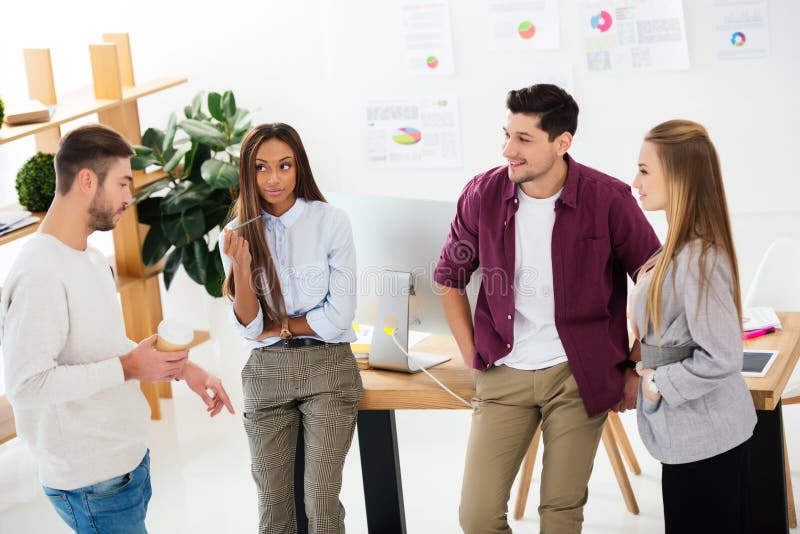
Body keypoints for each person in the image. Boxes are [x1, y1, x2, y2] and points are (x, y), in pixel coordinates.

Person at [434, 84, 661, 533]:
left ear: (562, 143)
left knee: (560, 514)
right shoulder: (482, 195)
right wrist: (471, 356)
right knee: (476, 517)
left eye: (523, 139)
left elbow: (656, 281)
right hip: (504, 373)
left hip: (579, 374)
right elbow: (448, 278)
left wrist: (636, 363)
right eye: (507, 135)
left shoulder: (608, 199)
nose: (508, 150)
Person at [0, 124, 234, 534]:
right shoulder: (39, 272)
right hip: (92, 483)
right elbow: (27, 384)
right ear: (88, 181)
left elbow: (101, 347)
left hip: (124, 466)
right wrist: (127, 367)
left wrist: (182, 369)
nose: (130, 197)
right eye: (124, 183)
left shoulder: (88, 257)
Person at [219, 123, 362, 534]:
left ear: (299, 166)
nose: (274, 178)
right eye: (262, 168)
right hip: (266, 377)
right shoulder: (234, 235)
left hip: (328, 370)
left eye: (284, 165)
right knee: (273, 511)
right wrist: (243, 268)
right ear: (248, 173)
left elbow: (338, 317)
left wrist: (276, 326)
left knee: (319, 500)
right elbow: (249, 327)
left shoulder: (331, 221)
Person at [631, 119, 755, 534]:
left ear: (679, 176)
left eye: (645, 170)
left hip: (705, 437)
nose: (635, 181)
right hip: (694, 435)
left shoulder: (698, 256)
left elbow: (722, 356)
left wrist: (656, 384)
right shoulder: (678, 246)